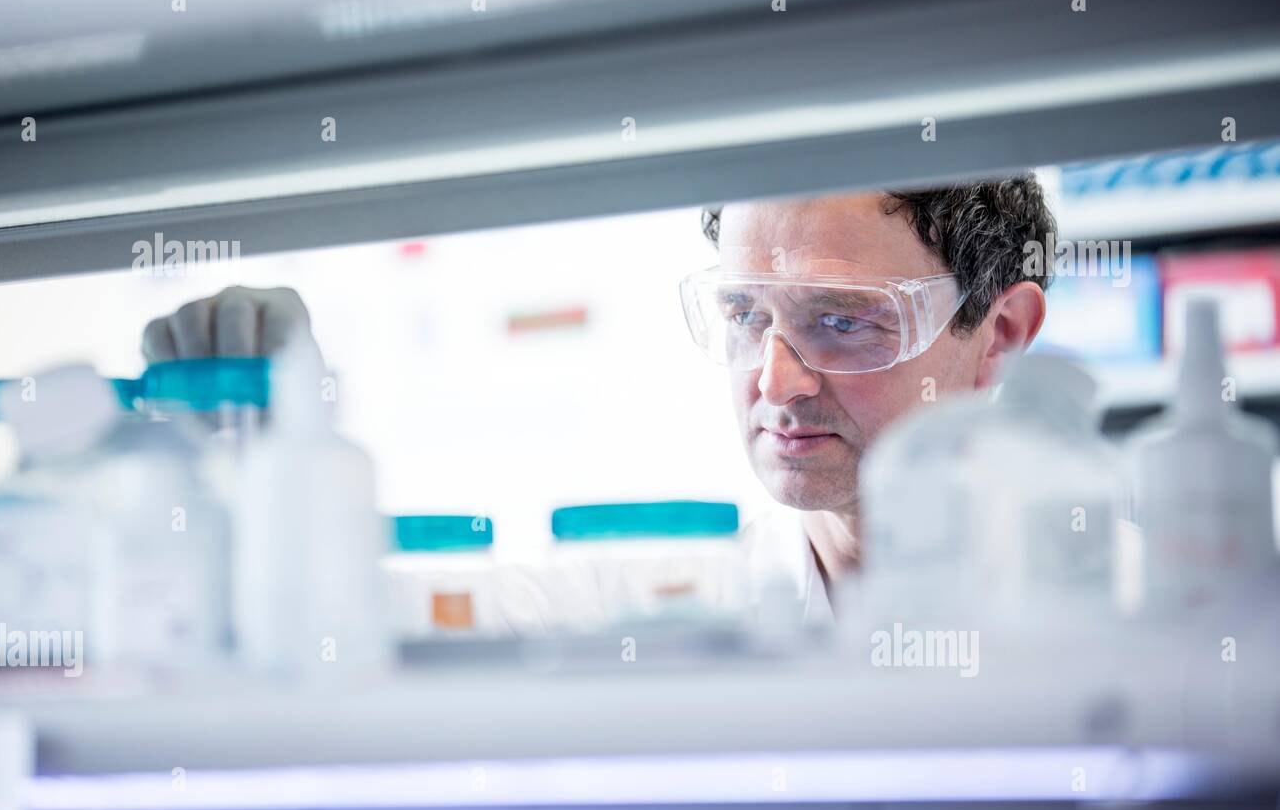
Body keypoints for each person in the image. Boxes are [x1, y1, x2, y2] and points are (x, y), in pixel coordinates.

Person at [142, 177, 1053, 626]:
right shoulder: (666, 606)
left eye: (844, 321)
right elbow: (348, 629)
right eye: (743, 314)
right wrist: (240, 458)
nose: (774, 382)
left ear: (1001, 333)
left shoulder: (1160, 602)